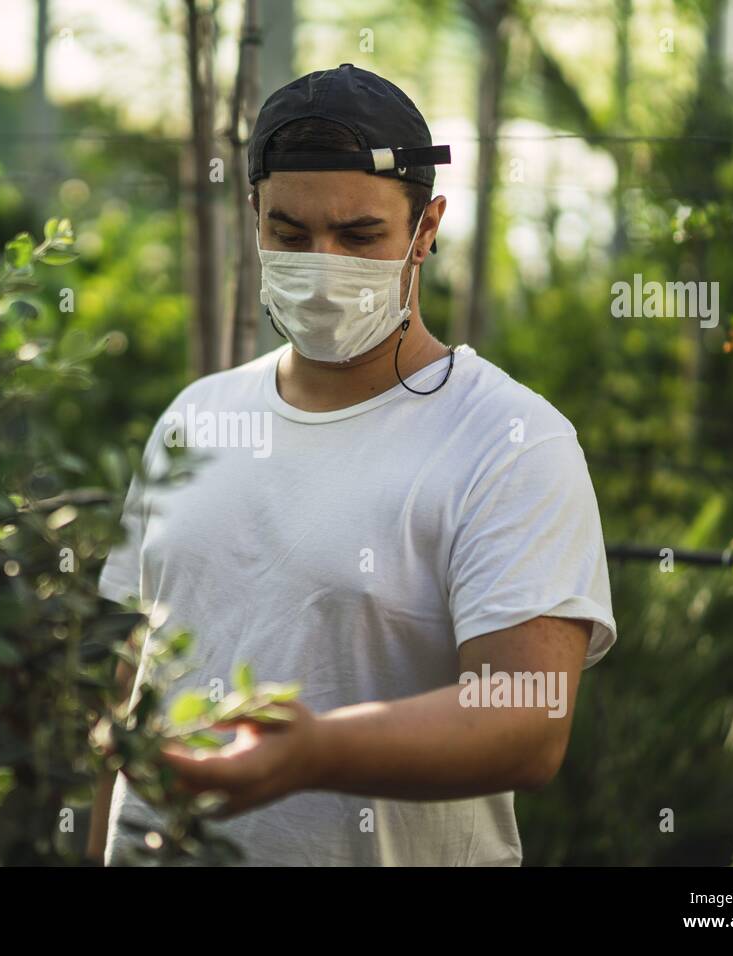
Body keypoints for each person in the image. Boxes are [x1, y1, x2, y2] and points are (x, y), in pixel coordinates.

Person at [88, 63, 616, 866]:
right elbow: (118, 690)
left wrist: (314, 752)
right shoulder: (194, 416)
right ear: (255, 218)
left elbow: (527, 721)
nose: (324, 262)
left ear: (426, 228)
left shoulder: (509, 442)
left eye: (360, 235)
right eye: (291, 234)